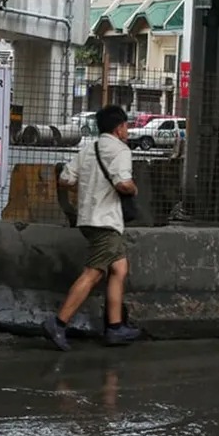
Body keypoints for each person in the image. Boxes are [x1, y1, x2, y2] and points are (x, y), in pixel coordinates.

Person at [43, 105, 142, 351]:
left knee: (119, 268)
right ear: (119, 128)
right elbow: (123, 183)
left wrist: (91, 189)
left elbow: (66, 179)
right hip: (106, 221)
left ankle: (115, 328)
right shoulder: (121, 150)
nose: (127, 130)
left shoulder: (89, 148)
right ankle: (58, 323)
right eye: (125, 126)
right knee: (93, 273)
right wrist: (134, 189)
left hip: (87, 218)